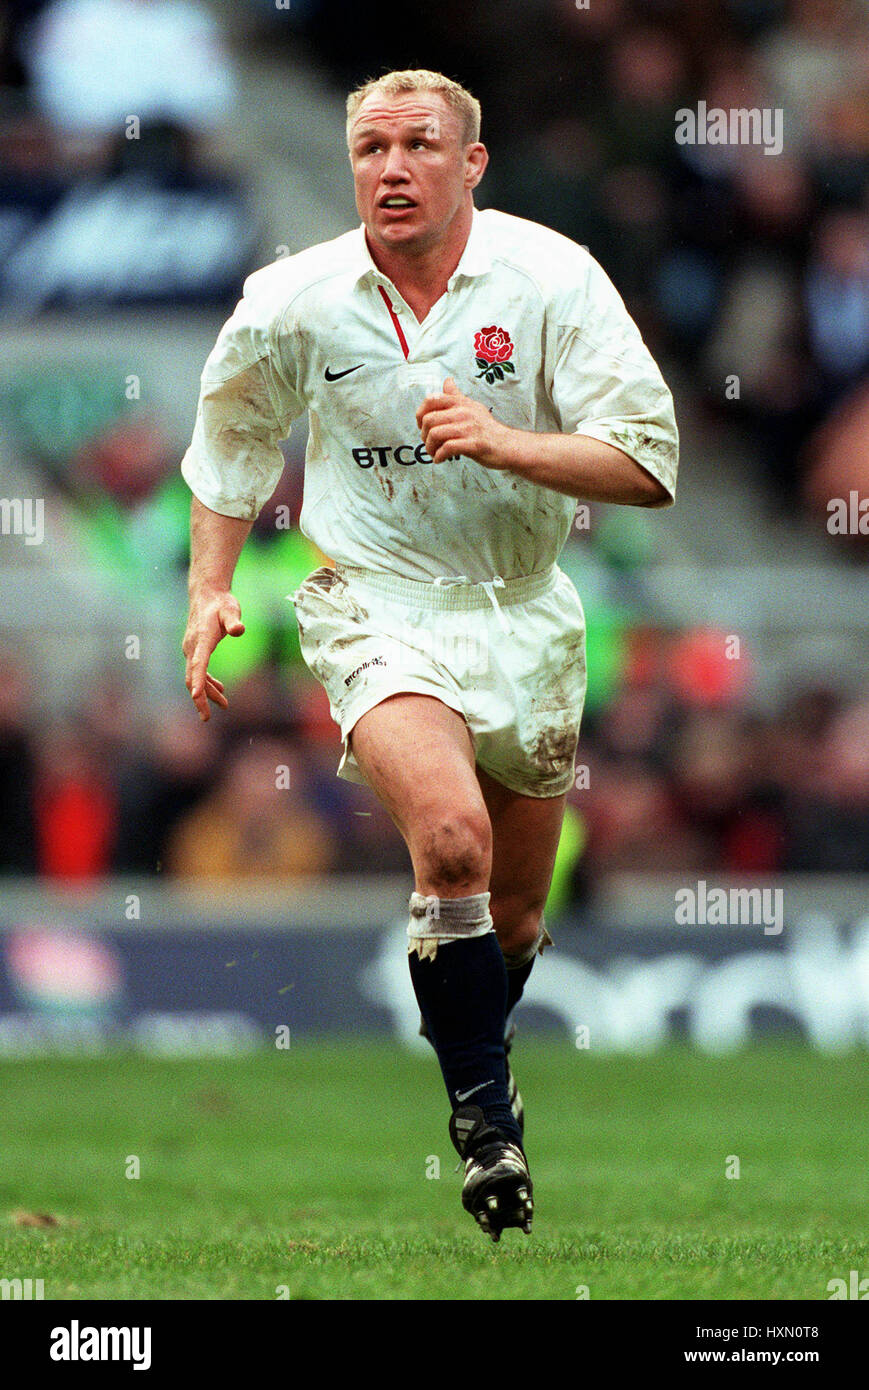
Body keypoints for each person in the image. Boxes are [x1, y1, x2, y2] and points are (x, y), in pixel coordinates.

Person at [181, 68, 678, 1241]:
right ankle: (487, 1130)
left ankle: (468, 1051)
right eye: (369, 148)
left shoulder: (550, 276)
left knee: (505, 919)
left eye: (417, 145)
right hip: (375, 601)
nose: (390, 168)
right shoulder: (294, 298)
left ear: (472, 163)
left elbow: (649, 462)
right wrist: (207, 589)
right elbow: (230, 437)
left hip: (526, 611)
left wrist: (506, 443)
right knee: (446, 842)